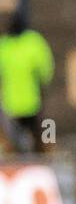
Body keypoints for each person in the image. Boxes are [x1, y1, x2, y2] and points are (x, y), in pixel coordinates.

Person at [0, 9, 56, 154]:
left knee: (15, 141)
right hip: (32, 102)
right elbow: (46, 69)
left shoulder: (4, 45)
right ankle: (41, 156)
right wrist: (44, 84)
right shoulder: (34, 42)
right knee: (38, 137)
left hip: (11, 104)